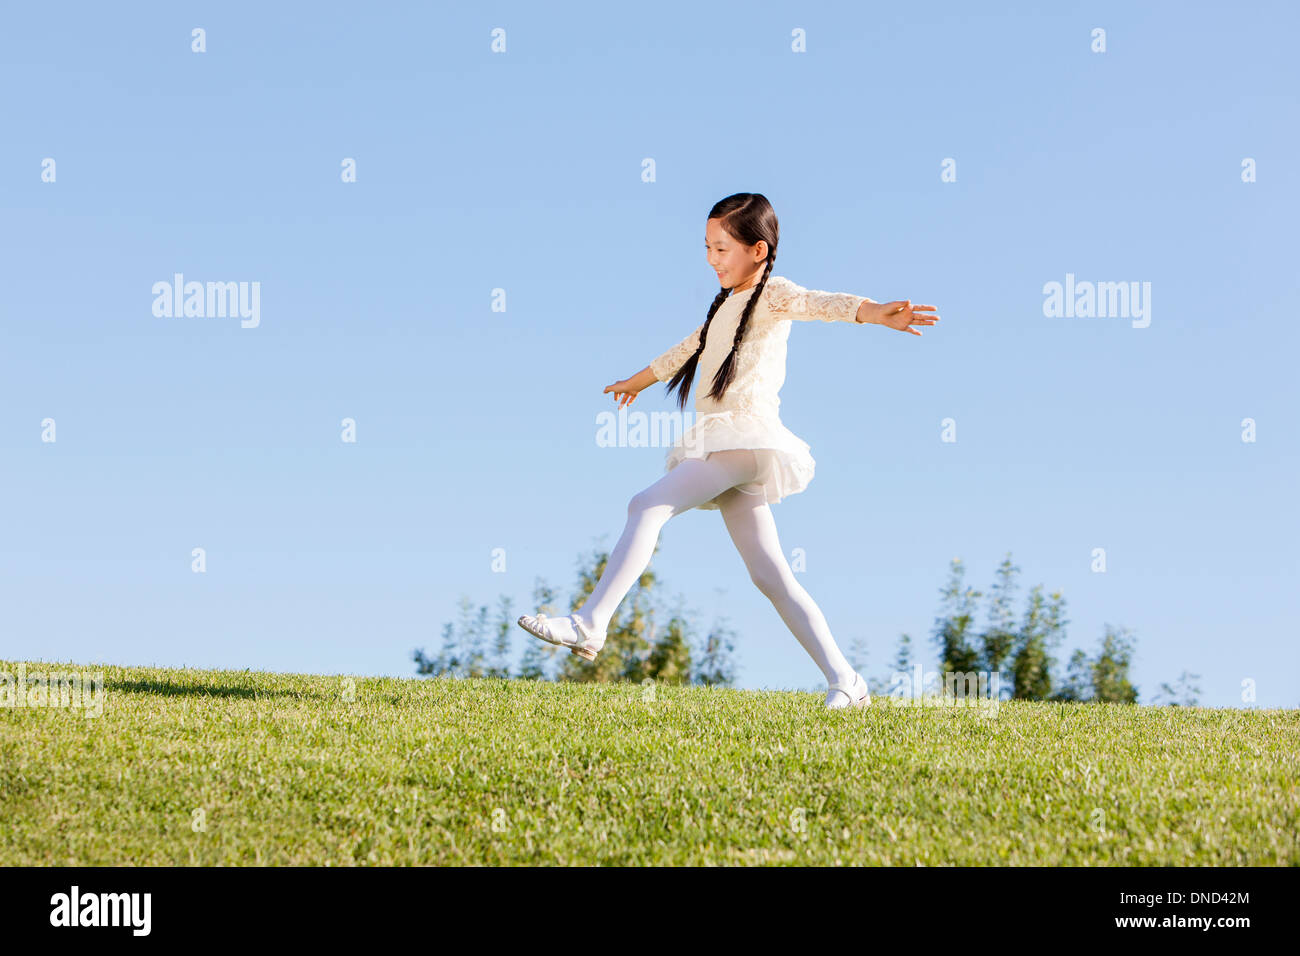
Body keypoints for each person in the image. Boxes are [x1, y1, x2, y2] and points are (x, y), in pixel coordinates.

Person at [519, 192, 939, 709]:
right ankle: (847, 681)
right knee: (771, 576)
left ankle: (590, 623)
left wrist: (876, 313)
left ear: (758, 250)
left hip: (747, 438)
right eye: (707, 248)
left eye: (722, 248)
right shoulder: (723, 307)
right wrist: (638, 380)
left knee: (647, 505)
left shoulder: (773, 294)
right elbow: (688, 349)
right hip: (727, 442)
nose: (712, 259)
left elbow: (822, 304)